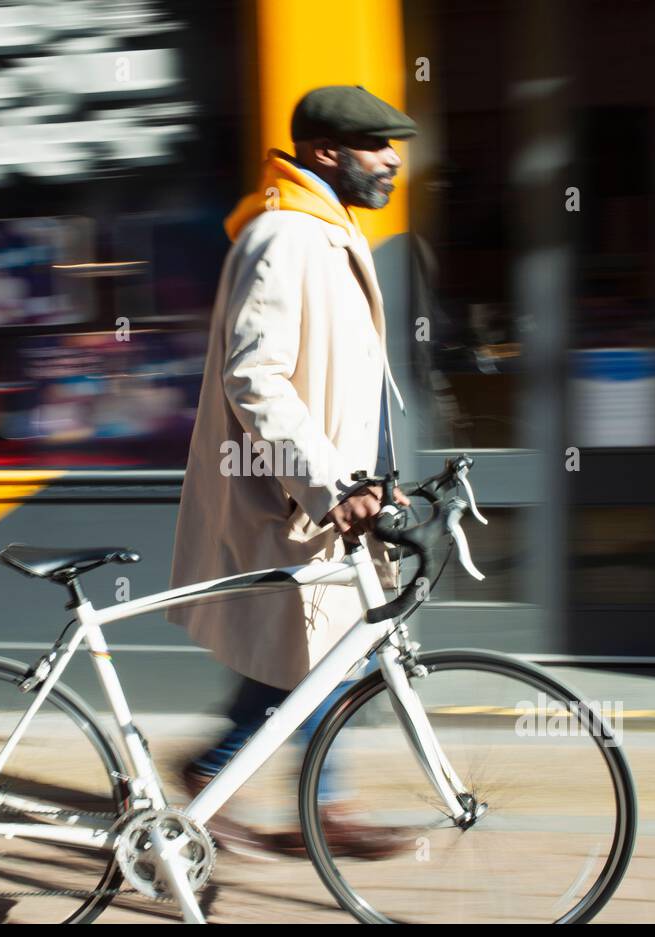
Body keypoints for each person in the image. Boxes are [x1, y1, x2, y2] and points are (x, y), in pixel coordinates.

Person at [165, 85, 419, 859]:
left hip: (329, 492)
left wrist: (374, 475)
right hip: (291, 497)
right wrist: (327, 485)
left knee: (316, 651)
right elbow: (257, 378)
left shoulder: (325, 234)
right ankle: (314, 801)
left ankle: (262, 781)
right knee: (319, 651)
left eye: (393, 144)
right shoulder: (285, 237)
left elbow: (339, 381)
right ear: (324, 154)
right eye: (376, 145)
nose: (393, 159)